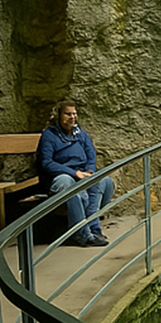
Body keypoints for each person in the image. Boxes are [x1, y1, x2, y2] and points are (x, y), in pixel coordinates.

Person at [38, 99, 114, 247]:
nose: (72, 117)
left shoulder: (81, 134)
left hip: (83, 174)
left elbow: (91, 155)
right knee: (69, 184)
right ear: (59, 116)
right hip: (62, 177)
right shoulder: (49, 135)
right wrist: (74, 173)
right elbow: (46, 163)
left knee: (103, 180)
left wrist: (90, 171)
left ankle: (94, 228)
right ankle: (82, 235)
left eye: (74, 113)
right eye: (67, 114)